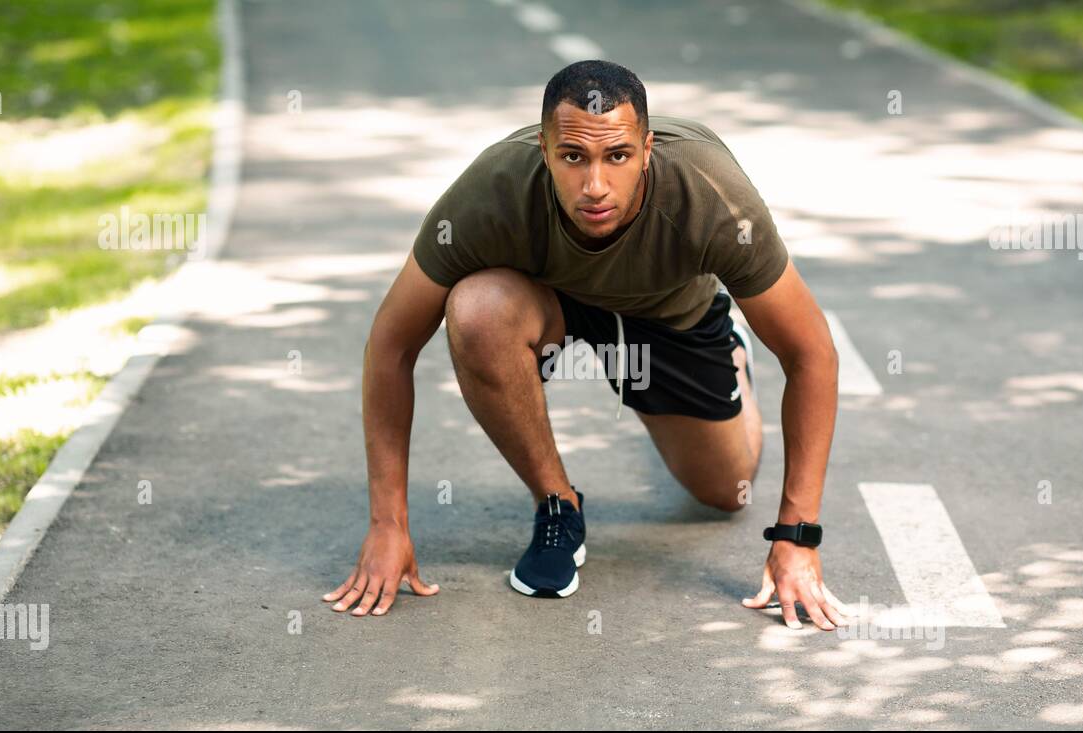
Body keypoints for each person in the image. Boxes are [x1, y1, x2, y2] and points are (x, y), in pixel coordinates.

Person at [323, 59, 847, 630]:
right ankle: (556, 505)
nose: (595, 186)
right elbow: (390, 345)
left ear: (647, 150)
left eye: (616, 156)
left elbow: (811, 353)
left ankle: (732, 357)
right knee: (476, 309)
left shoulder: (712, 196)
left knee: (725, 492)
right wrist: (388, 523)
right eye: (573, 157)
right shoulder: (491, 192)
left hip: (667, 315)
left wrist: (797, 537)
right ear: (543, 150)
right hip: (553, 302)